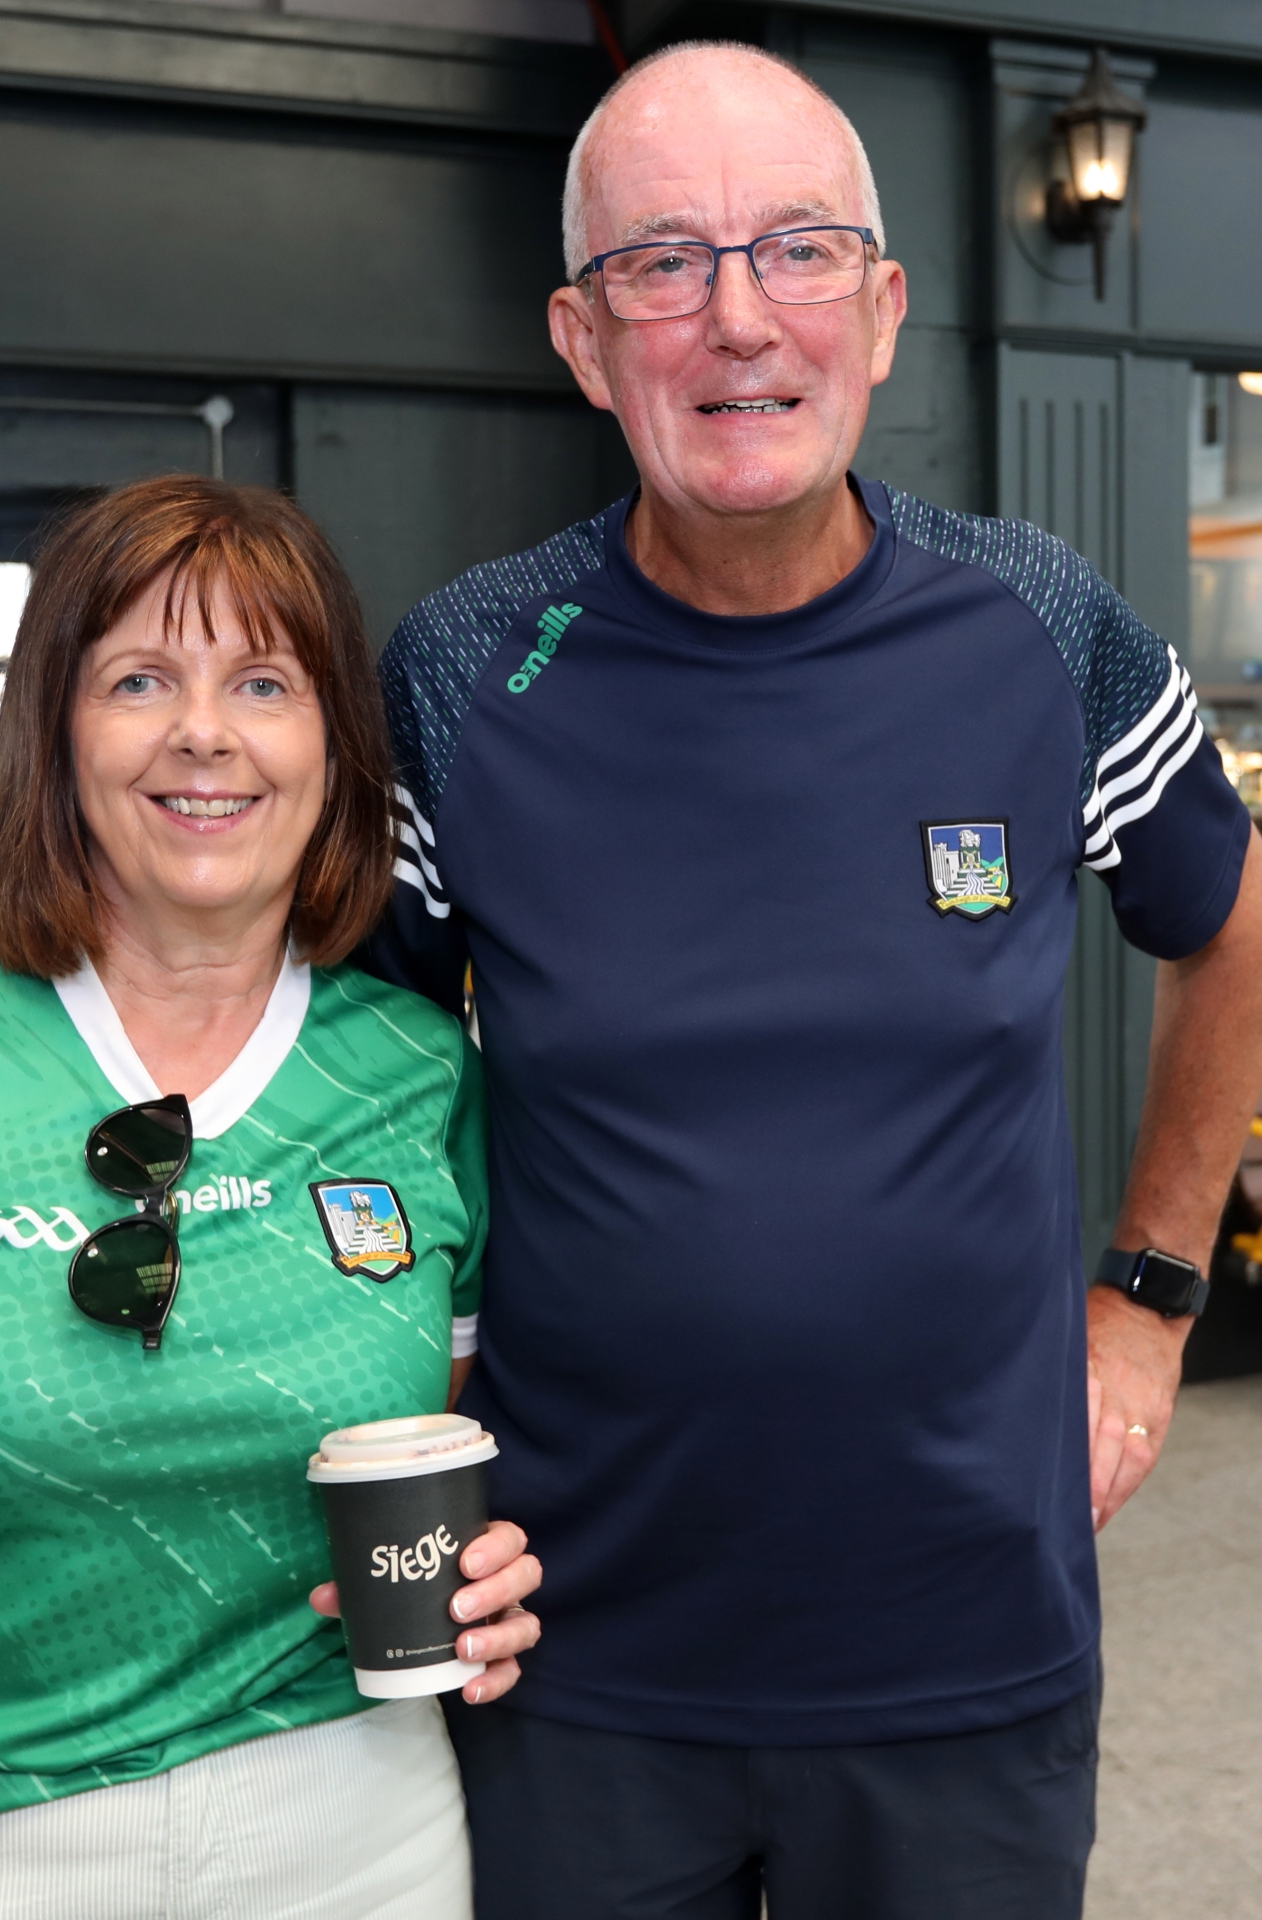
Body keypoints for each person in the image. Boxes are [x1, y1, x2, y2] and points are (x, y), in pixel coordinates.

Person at [362, 38, 1262, 1920]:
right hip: (574, 1658)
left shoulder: (1043, 631)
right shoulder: (460, 677)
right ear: (583, 339)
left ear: (884, 308)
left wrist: (1154, 1294)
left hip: (964, 1650)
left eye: (797, 248)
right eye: (662, 263)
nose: (736, 316)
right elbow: (349, 1082)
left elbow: (1232, 918)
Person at [0, 476, 540, 1920]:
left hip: (357, 1832)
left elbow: (459, 1459)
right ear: (57, 734)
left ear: (337, 749)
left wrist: (488, 1571)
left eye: (265, 681)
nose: (204, 731)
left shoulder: (424, 1076)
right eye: (140, 678)